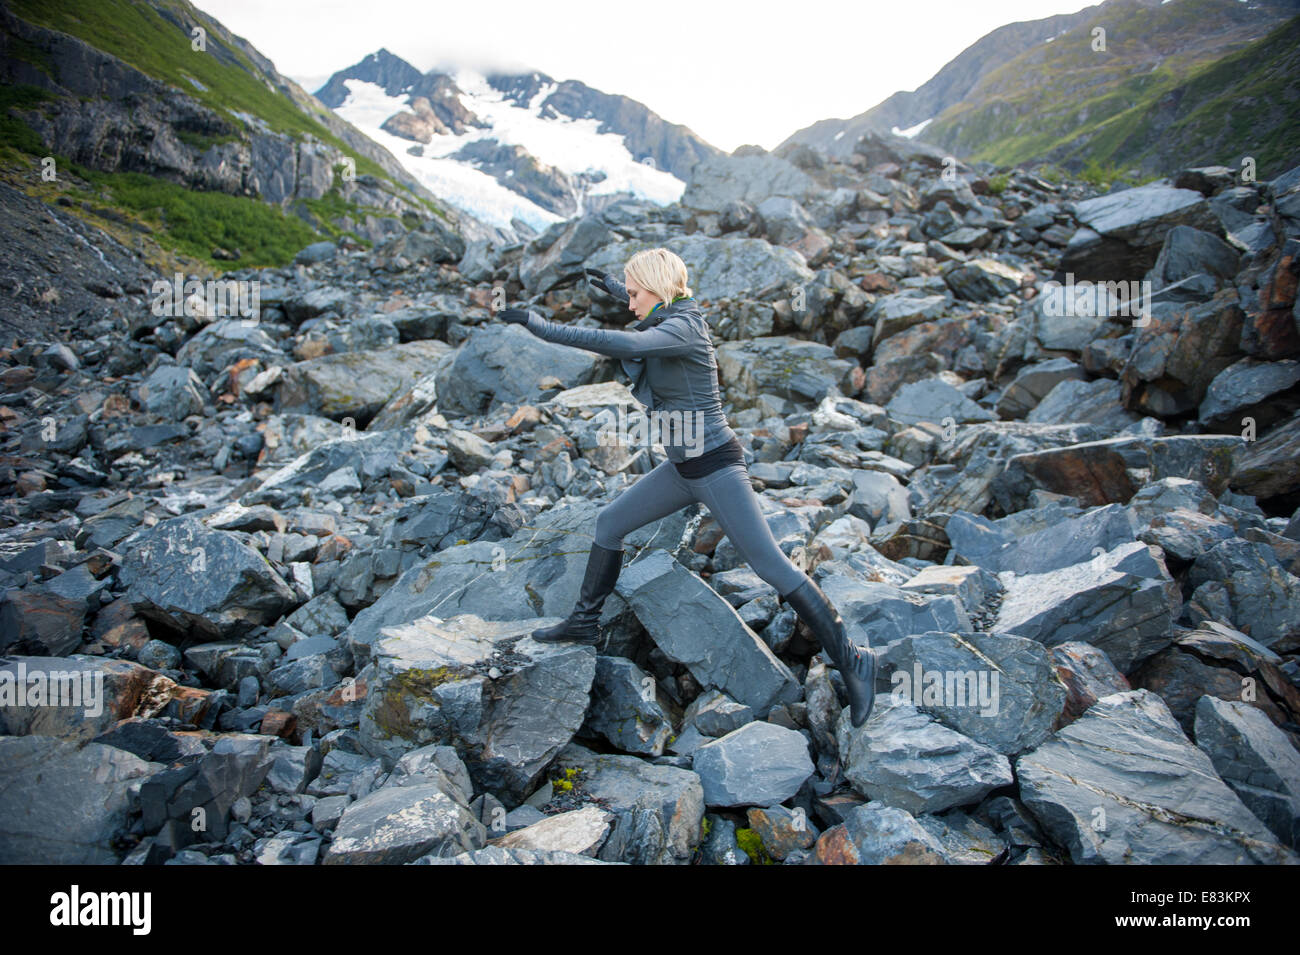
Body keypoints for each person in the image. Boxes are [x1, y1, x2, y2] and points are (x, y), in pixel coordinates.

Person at [495, 248, 877, 727]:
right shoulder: (676, 312)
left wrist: (538, 324)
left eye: (635, 294)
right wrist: (615, 287)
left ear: (656, 289)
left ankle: (854, 658)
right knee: (609, 523)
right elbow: (653, 310)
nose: (631, 303)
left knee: (770, 565)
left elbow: (616, 342)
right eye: (628, 295)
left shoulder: (681, 330)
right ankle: (583, 623)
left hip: (715, 468)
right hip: (681, 469)